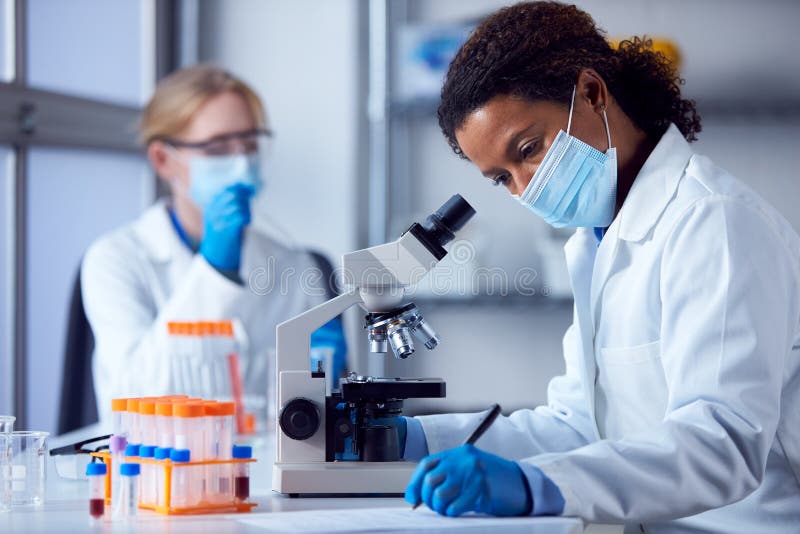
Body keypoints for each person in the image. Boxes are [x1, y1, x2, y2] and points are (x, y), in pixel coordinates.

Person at [401, 3, 800, 532]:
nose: (526, 188)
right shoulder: (596, 242)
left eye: (529, 149)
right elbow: (578, 426)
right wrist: (413, 439)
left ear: (591, 93)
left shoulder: (714, 223)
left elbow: (720, 442)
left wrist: (533, 486)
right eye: (502, 179)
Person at [83, 64, 346, 423]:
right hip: (159, 471)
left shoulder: (297, 266)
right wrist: (215, 270)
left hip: (265, 469)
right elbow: (134, 398)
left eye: (250, 145)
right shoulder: (114, 260)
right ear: (163, 159)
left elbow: (314, 415)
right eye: (217, 148)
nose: (241, 164)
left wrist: (324, 375)